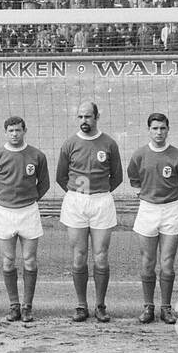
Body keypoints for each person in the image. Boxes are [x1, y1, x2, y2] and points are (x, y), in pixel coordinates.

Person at [55, 100, 123, 323]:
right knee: (79, 256)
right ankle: (81, 305)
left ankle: (100, 305)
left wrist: (98, 192)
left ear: (97, 117)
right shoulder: (70, 143)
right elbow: (61, 176)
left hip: (101, 202)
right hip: (76, 202)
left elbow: (117, 176)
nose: (84, 121)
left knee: (101, 256)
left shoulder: (109, 144)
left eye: (88, 116)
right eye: (80, 117)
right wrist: (79, 192)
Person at [0, 115, 50, 322]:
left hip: (28, 211)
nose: (14, 134)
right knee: (8, 260)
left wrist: (29, 199)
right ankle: (14, 305)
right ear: (5, 132)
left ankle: (27, 306)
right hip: (4, 212)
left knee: (29, 260)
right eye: (10, 131)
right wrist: (5, 200)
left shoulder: (36, 155)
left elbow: (44, 184)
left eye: (18, 130)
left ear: (24, 130)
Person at [127, 112, 178, 324]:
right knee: (147, 261)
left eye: (162, 128)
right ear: (149, 130)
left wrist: (169, 198)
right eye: (155, 128)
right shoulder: (139, 155)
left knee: (167, 263)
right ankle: (148, 307)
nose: (159, 132)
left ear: (168, 129)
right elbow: (134, 180)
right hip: (147, 209)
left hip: (171, 210)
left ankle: (166, 308)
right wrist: (147, 197)